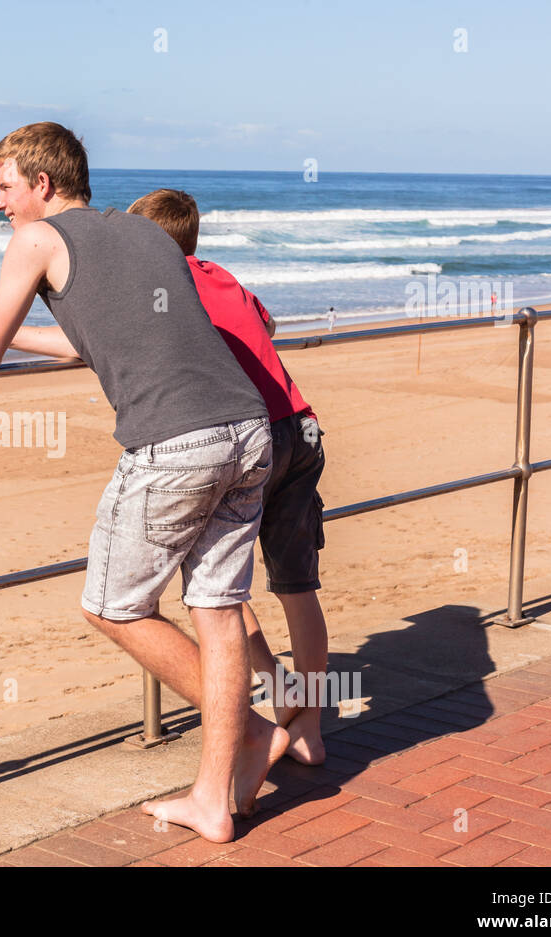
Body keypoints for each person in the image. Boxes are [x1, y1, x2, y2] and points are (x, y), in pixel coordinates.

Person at [0, 122, 289, 842]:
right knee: (219, 610)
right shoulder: (147, 236)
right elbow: (92, 340)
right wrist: (7, 333)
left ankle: (252, 732)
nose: (1, 205)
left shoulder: (37, 240)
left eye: (6, 188)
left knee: (114, 605)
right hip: (247, 430)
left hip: (176, 443)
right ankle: (213, 799)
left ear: (41, 183)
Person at [127, 189, 331, 768]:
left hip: (246, 437)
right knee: (298, 588)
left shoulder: (165, 292)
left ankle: (273, 680)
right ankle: (309, 726)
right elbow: (264, 320)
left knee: (214, 578)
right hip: (301, 425)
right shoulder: (220, 274)